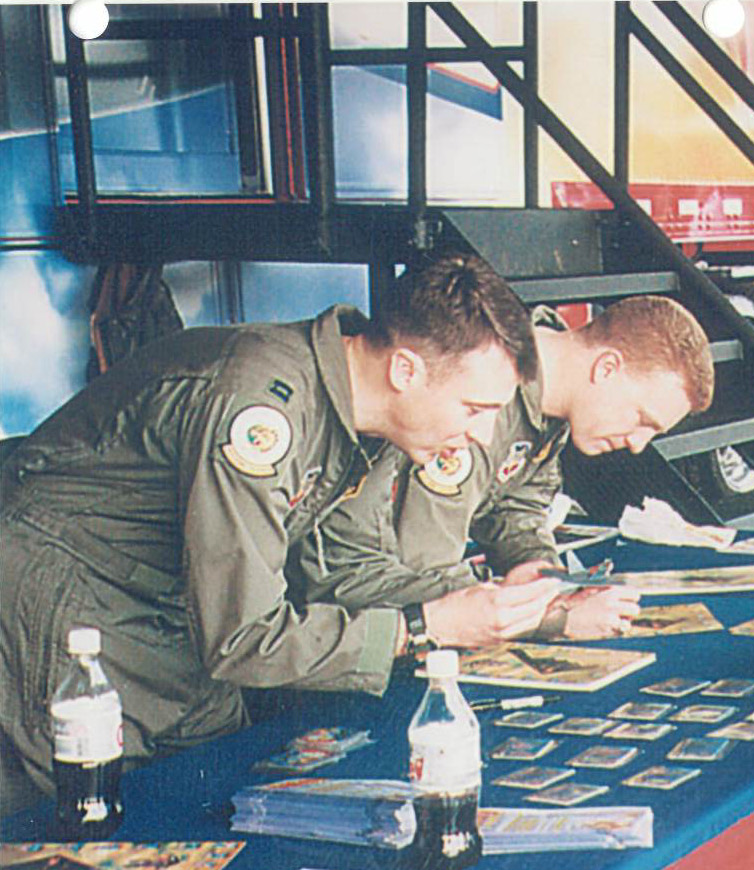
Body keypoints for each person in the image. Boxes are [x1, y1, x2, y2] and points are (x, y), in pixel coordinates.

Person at [0, 252, 562, 805]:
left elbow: (346, 571)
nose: (483, 435)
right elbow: (242, 638)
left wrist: (482, 604)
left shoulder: (377, 420)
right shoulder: (259, 409)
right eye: (474, 408)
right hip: (70, 593)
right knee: (102, 818)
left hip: (173, 608)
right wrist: (421, 627)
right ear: (405, 371)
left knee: (222, 796)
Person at [294, 294, 714, 644]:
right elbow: (420, 571)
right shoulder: (479, 383)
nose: (638, 444)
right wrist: (549, 619)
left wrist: (537, 567)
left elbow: (517, 505)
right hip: (333, 627)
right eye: (642, 419)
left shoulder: (550, 403)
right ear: (606, 368)